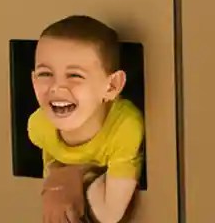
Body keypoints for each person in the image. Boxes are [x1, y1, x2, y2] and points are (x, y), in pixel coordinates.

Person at [29, 15, 144, 223]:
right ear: (33, 80)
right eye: (45, 74)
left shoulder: (124, 128)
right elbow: (53, 175)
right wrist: (60, 181)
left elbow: (111, 214)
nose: (57, 87)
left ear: (112, 87)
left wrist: (77, 175)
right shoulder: (39, 126)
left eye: (74, 76)